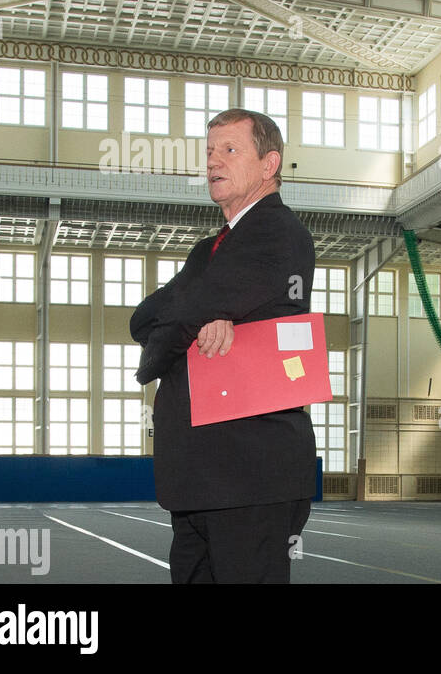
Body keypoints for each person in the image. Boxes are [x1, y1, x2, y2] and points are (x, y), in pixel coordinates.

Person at [130, 108, 317, 583]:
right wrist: (197, 318)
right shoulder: (206, 250)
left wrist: (191, 321)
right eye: (210, 150)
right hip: (199, 475)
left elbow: (178, 315)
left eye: (230, 150)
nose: (214, 160)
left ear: (269, 164)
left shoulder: (276, 231)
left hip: (250, 473)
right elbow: (142, 319)